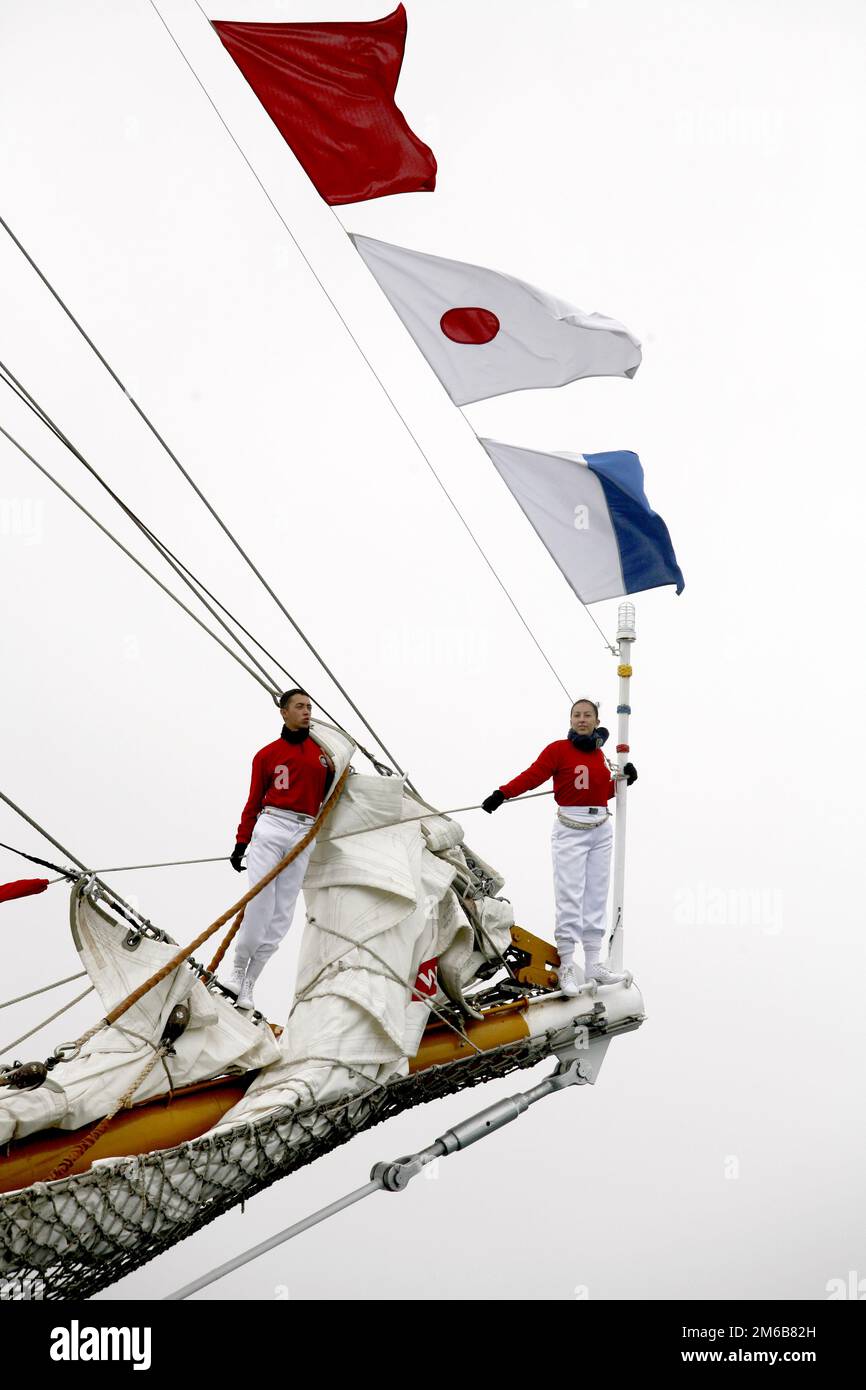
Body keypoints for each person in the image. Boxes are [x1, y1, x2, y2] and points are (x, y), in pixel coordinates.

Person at [481, 698, 637, 997]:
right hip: (570, 829)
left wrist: (624, 783)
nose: (582, 719)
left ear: (596, 720)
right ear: (570, 720)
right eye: (577, 715)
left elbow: (599, 793)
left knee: (596, 894)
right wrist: (503, 793)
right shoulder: (558, 750)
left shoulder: (601, 755)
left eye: (587, 715)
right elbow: (534, 775)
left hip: (600, 828)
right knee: (570, 895)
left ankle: (593, 963)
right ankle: (566, 964)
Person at [221, 689, 334, 1011]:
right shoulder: (267, 755)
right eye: (299, 707)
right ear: (284, 712)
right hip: (272, 825)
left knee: (283, 913)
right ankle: (237, 970)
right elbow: (253, 800)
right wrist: (242, 841)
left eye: (310, 707)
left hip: (304, 830)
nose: (306, 712)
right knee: (260, 901)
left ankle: (250, 984)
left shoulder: (325, 755)